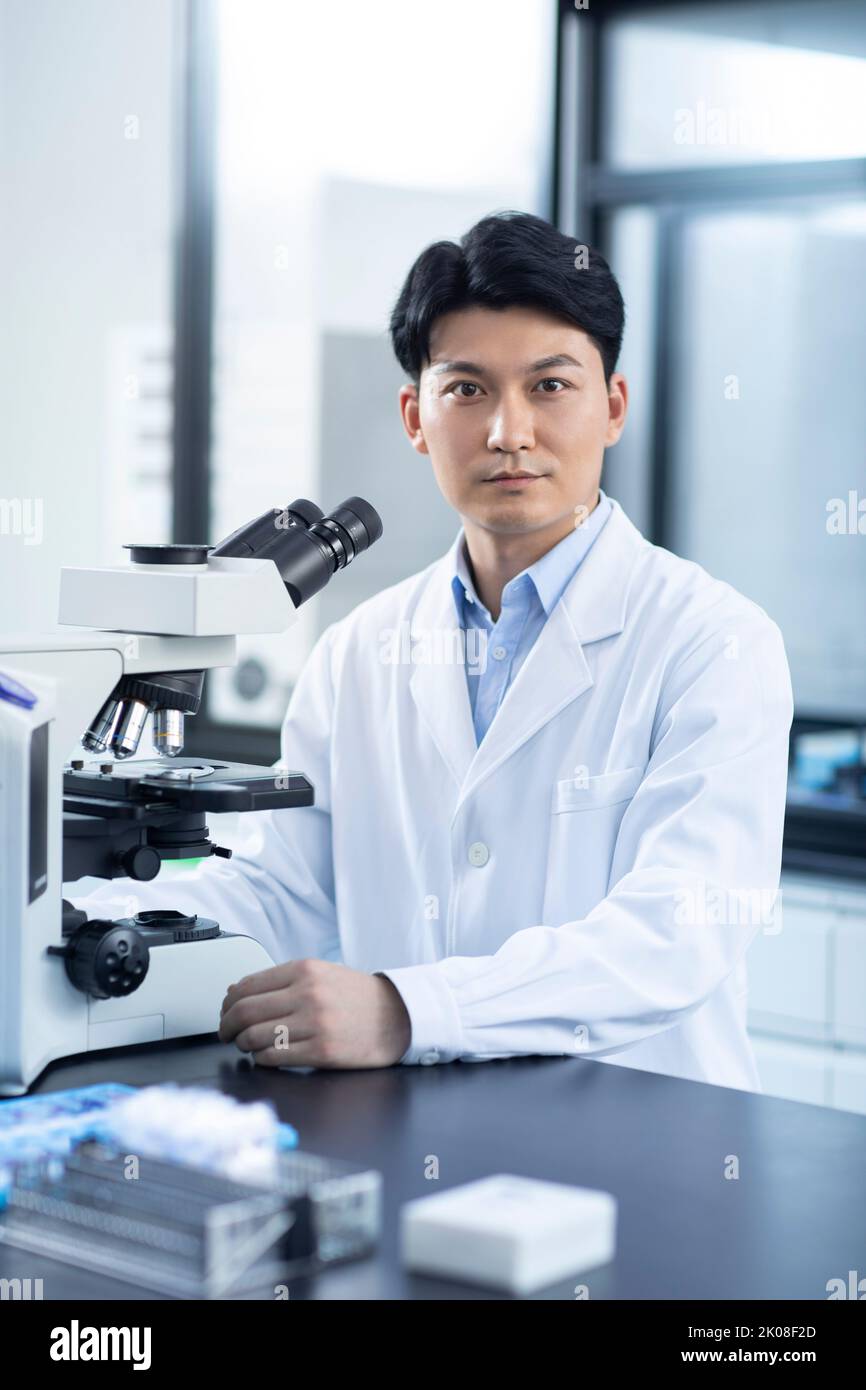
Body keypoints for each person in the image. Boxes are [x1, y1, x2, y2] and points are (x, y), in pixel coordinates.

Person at [70, 211, 793, 1089]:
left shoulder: (714, 643)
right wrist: (61, 914)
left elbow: (676, 935)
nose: (508, 432)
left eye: (551, 387)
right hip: (413, 1132)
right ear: (417, 416)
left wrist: (409, 1010)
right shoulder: (359, 650)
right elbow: (279, 897)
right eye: (468, 390)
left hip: (641, 1135)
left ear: (613, 408)